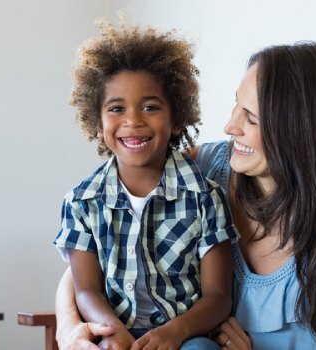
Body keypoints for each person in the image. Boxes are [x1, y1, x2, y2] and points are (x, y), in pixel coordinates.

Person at [55, 41, 316, 350]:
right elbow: (99, 258)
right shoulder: (203, 170)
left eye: (252, 119)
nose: (230, 127)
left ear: (304, 133)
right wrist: (70, 327)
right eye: (235, 106)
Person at [53, 20, 239, 350]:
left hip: (186, 336)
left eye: (150, 107)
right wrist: (111, 330)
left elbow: (218, 296)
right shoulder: (81, 202)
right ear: (98, 123)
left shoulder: (206, 197)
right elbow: (86, 290)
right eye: (116, 108)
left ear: (176, 117)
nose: (133, 120)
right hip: (116, 333)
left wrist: (175, 333)